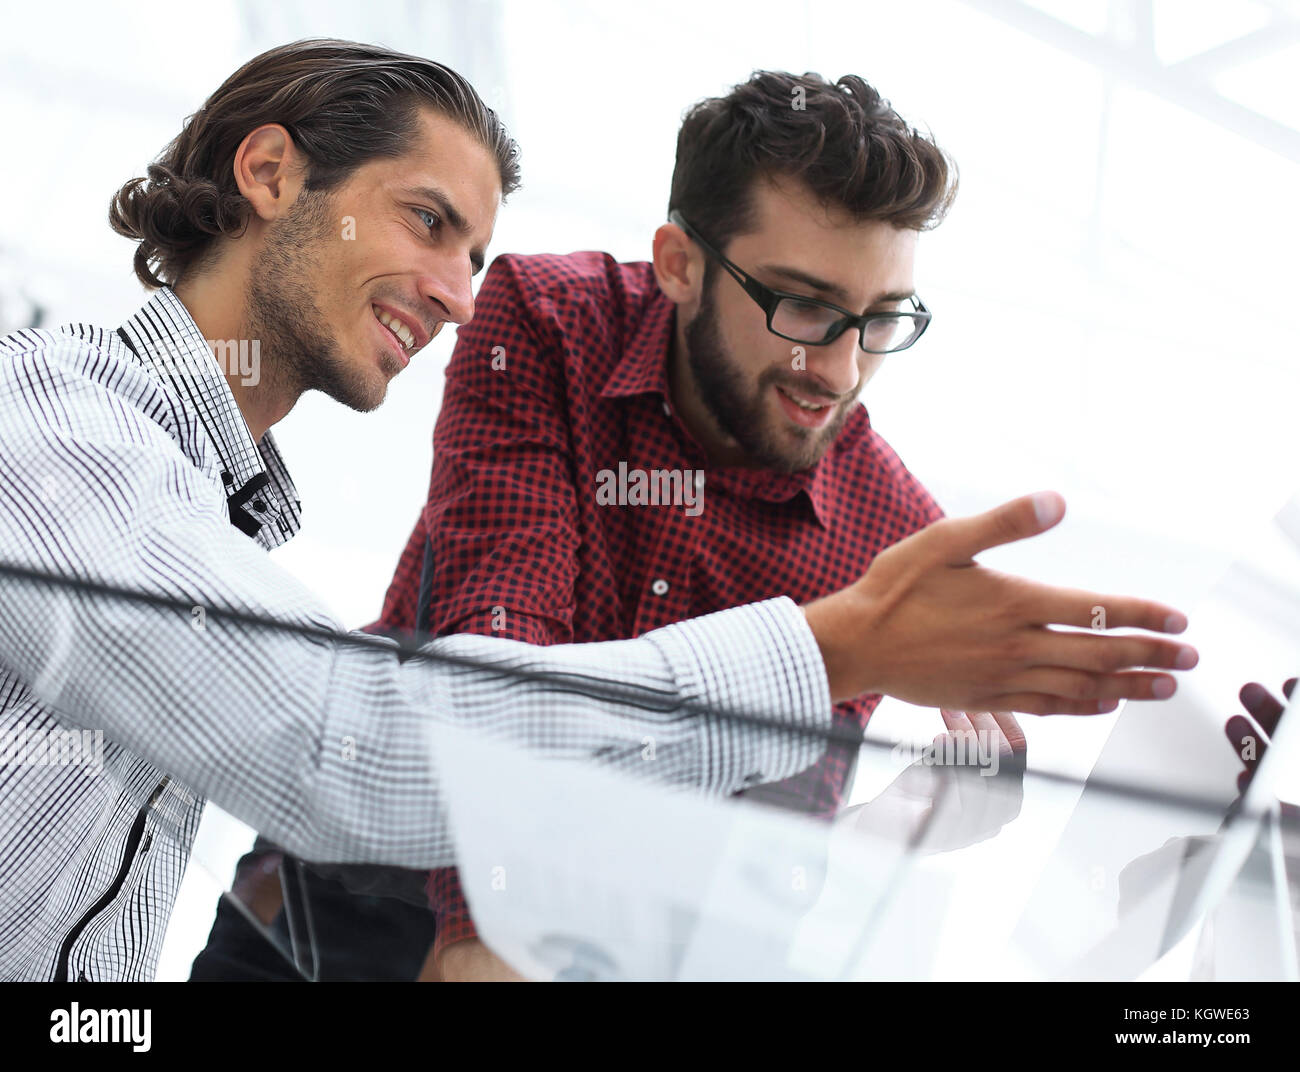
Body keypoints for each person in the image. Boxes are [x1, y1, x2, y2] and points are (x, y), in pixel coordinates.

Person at [0, 37, 1195, 982]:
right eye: (428, 221)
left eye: (882, 322)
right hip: (360, 893)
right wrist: (477, 932)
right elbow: (394, 710)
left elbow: (769, 854)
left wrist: (941, 841)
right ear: (678, 263)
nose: (839, 364)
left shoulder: (218, 517)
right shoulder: (57, 420)